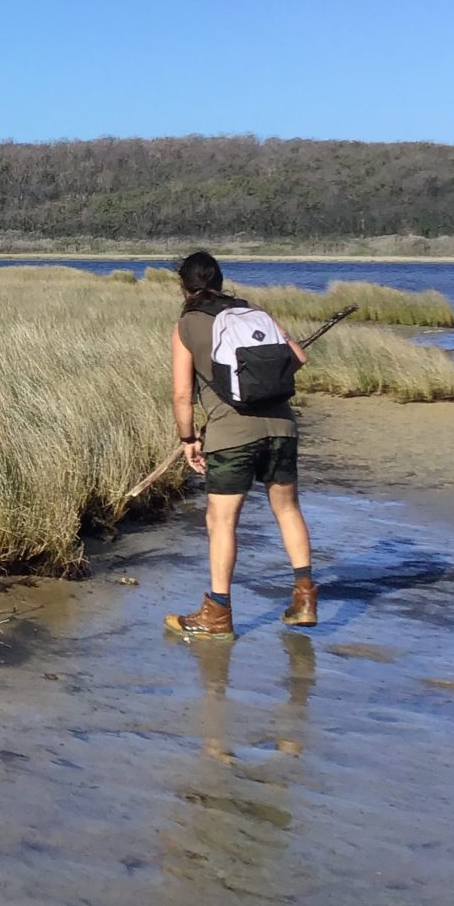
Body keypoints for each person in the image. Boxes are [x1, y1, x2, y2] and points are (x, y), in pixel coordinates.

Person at [163, 248, 318, 638]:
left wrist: (188, 439)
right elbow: (297, 357)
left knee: (221, 520)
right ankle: (304, 599)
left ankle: (217, 613)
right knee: (287, 509)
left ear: (185, 286)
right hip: (282, 427)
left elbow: (182, 395)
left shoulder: (187, 325)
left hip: (231, 436)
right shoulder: (254, 311)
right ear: (218, 280)